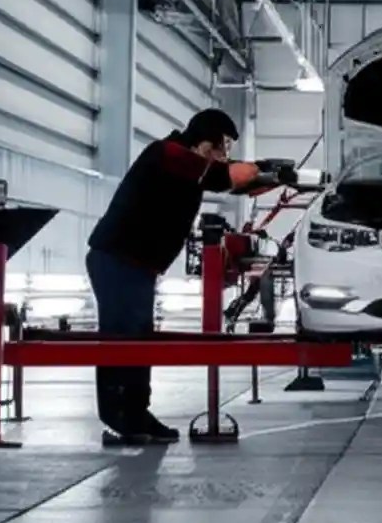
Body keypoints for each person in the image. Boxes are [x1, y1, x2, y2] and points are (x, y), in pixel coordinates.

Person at [86, 108, 261, 443]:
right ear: (204, 142)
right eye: (221, 147)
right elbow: (223, 176)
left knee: (137, 337)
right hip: (118, 260)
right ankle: (120, 417)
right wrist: (258, 171)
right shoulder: (168, 154)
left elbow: (227, 181)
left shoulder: (187, 166)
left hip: (133, 263)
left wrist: (264, 179)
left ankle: (135, 414)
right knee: (123, 339)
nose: (224, 155)